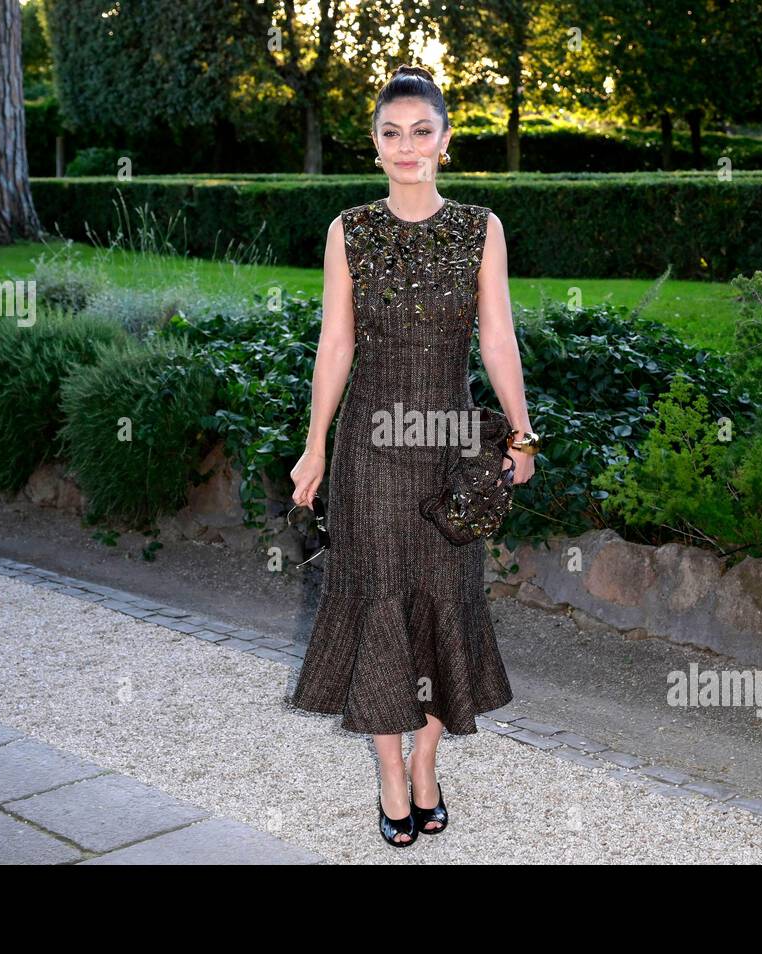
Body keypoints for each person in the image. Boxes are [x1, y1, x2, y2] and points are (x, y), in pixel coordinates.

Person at [285, 64, 539, 847]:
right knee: (381, 602)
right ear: (374, 143)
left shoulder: (480, 227)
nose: (407, 146)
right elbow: (336, 342)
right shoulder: (349, 230)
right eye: (391, 133)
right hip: (371, 447)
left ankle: (427, 764)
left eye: (421, 131)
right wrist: (314, 443)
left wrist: (522, 432)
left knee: (444, 604)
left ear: (446, 140)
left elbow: (496, 337)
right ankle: (391, 774)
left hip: (451, 445)